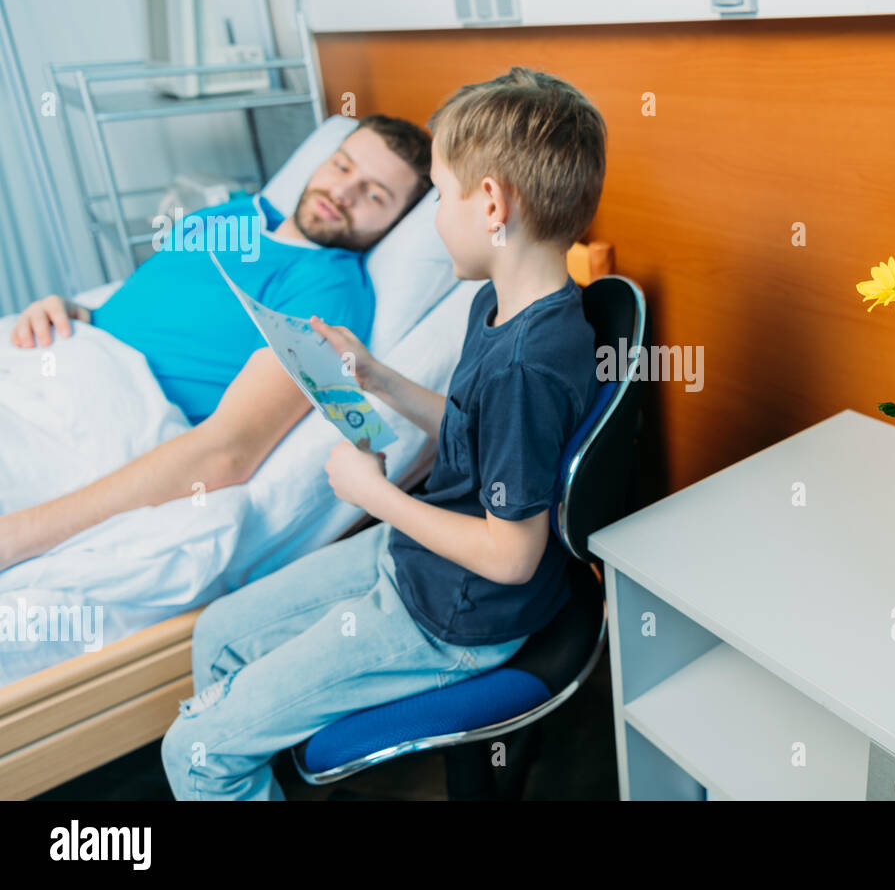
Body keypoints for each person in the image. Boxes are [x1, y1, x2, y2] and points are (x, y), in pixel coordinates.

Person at [160, 66, 606, 800]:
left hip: (452, 618)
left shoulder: (530, 365)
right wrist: (376, 376)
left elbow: (514, 555)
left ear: (490, 202)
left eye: (440, 194)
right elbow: (474, 430)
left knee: (195, 753)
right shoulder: (501, 303)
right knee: (219, 634)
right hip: (416, 561)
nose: (434, 219)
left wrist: (375, 492)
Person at [0, 115, 432, 571]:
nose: (343, 193)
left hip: (101, 416)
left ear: (395, 222)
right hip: (53, 364)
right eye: (342, 167)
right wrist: (71, 311)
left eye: (374, 195)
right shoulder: (232, 214)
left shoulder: (327, 296)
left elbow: (230, 450)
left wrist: (17, 536)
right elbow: (150, 310)